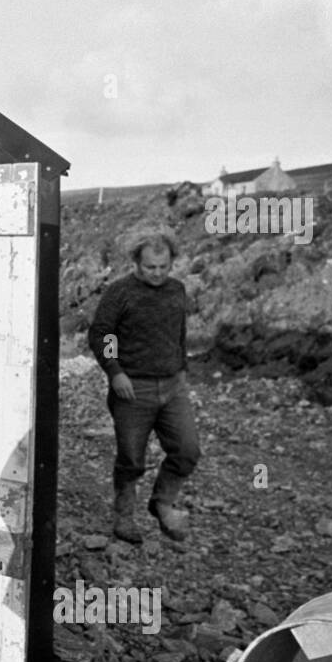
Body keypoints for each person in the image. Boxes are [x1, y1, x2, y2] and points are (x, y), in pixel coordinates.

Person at [87, 230, 200, 544]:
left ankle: (162, 502)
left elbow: (178, 332)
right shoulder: (119, 292)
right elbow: (101, 335)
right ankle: (123, 517)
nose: (158, 273)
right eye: (151, 267)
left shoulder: (177, 289)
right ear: (136, 262)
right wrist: (115, 372)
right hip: (132, 388)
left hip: (174, 385)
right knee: (131, 458)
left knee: (188, 450)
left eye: (164, 266)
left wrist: (182, 369)